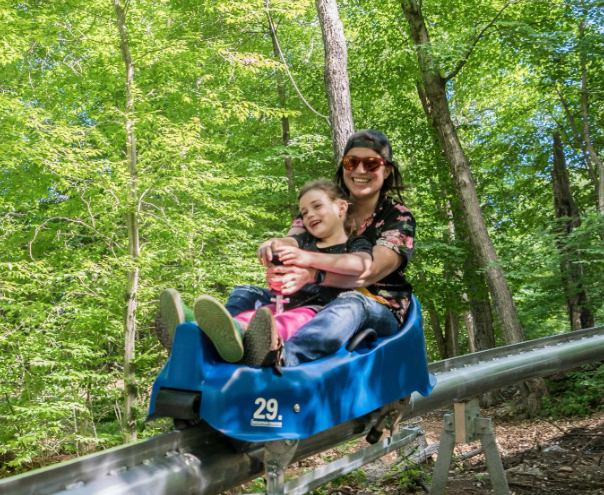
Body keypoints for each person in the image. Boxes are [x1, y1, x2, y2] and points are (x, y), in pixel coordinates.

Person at [158, 129, 416, 370]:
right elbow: (292, 240)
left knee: (350, 303)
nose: (359, 170)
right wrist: (274, 250)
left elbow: (367, 272)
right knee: (247, 292)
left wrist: (311, 272)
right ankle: (207, 337)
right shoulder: (321, 206)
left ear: (386, 170)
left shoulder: (397, 217)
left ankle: (282, 356)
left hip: (373, 303)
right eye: (352, 162)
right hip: (312, 295)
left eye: (371, 164)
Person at [158, 179, 373, 367]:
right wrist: (270, 246)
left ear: (341, 207)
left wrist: (308, 259)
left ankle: (244, 341)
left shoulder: (355, 244)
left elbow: (360, 264)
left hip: (317, 310)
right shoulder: (305, 240)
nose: (310, 215)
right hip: (284, 301)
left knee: (286, 321)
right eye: (305, 212)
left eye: (317, 206)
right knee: (254, 316)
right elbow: (285, 242)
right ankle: (194, 329)